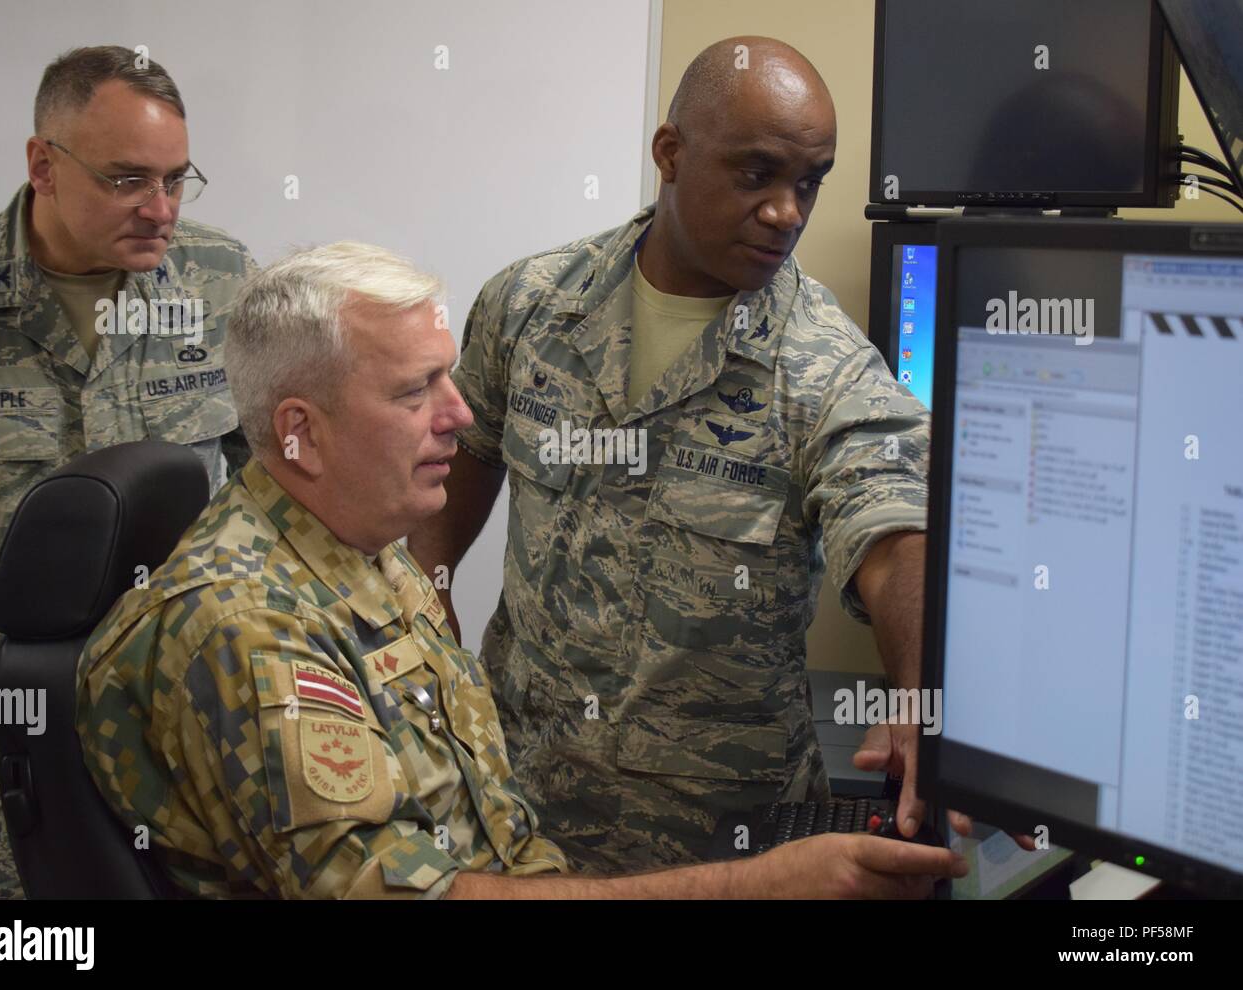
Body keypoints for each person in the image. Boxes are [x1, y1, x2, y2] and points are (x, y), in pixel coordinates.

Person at [76, 243, 967, 898]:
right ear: (300, 432)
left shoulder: (365, 543)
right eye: (413, 391)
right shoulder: (246, 629)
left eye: (448, 380)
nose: (460, 416)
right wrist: (759, 887)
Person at [406, 36, 967, 873]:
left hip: (723, 850)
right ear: (670, 154)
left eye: (809, 181)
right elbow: (469, 446)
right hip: (520, 803)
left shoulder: (822, 365)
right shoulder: (530, 305)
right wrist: (431, 590)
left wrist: (918, 690)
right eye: (757, 174)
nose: (788, 210)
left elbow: (896, 533)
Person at [0, 45, 254, 898]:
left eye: (176, 180)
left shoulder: (221, 279)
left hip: (184, 716)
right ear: (43, 165)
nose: (161, 210)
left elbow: (274, 496)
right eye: (127, 180)